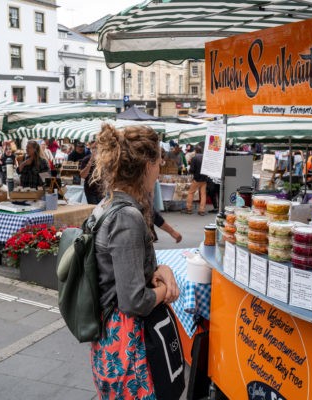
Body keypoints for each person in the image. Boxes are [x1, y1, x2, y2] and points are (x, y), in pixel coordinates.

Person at [89, 123, 180, 398]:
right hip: (127, 343)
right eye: (158, 159)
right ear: (146, 164)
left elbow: (123, 273)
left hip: (112, 336)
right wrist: (167, 291)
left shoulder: (108, 204)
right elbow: (133, 300)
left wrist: (160, 269)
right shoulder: (127, 216)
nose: (161, 165)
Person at [183, 144, 209, 215]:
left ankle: (189, 208)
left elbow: (192, 170)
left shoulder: (194, 158)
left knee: (191, 193)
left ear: (195, 151)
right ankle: (202, 210)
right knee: (203, 194)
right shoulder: (205, 158)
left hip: (197, 179)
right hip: (204, 178)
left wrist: (189, 168)